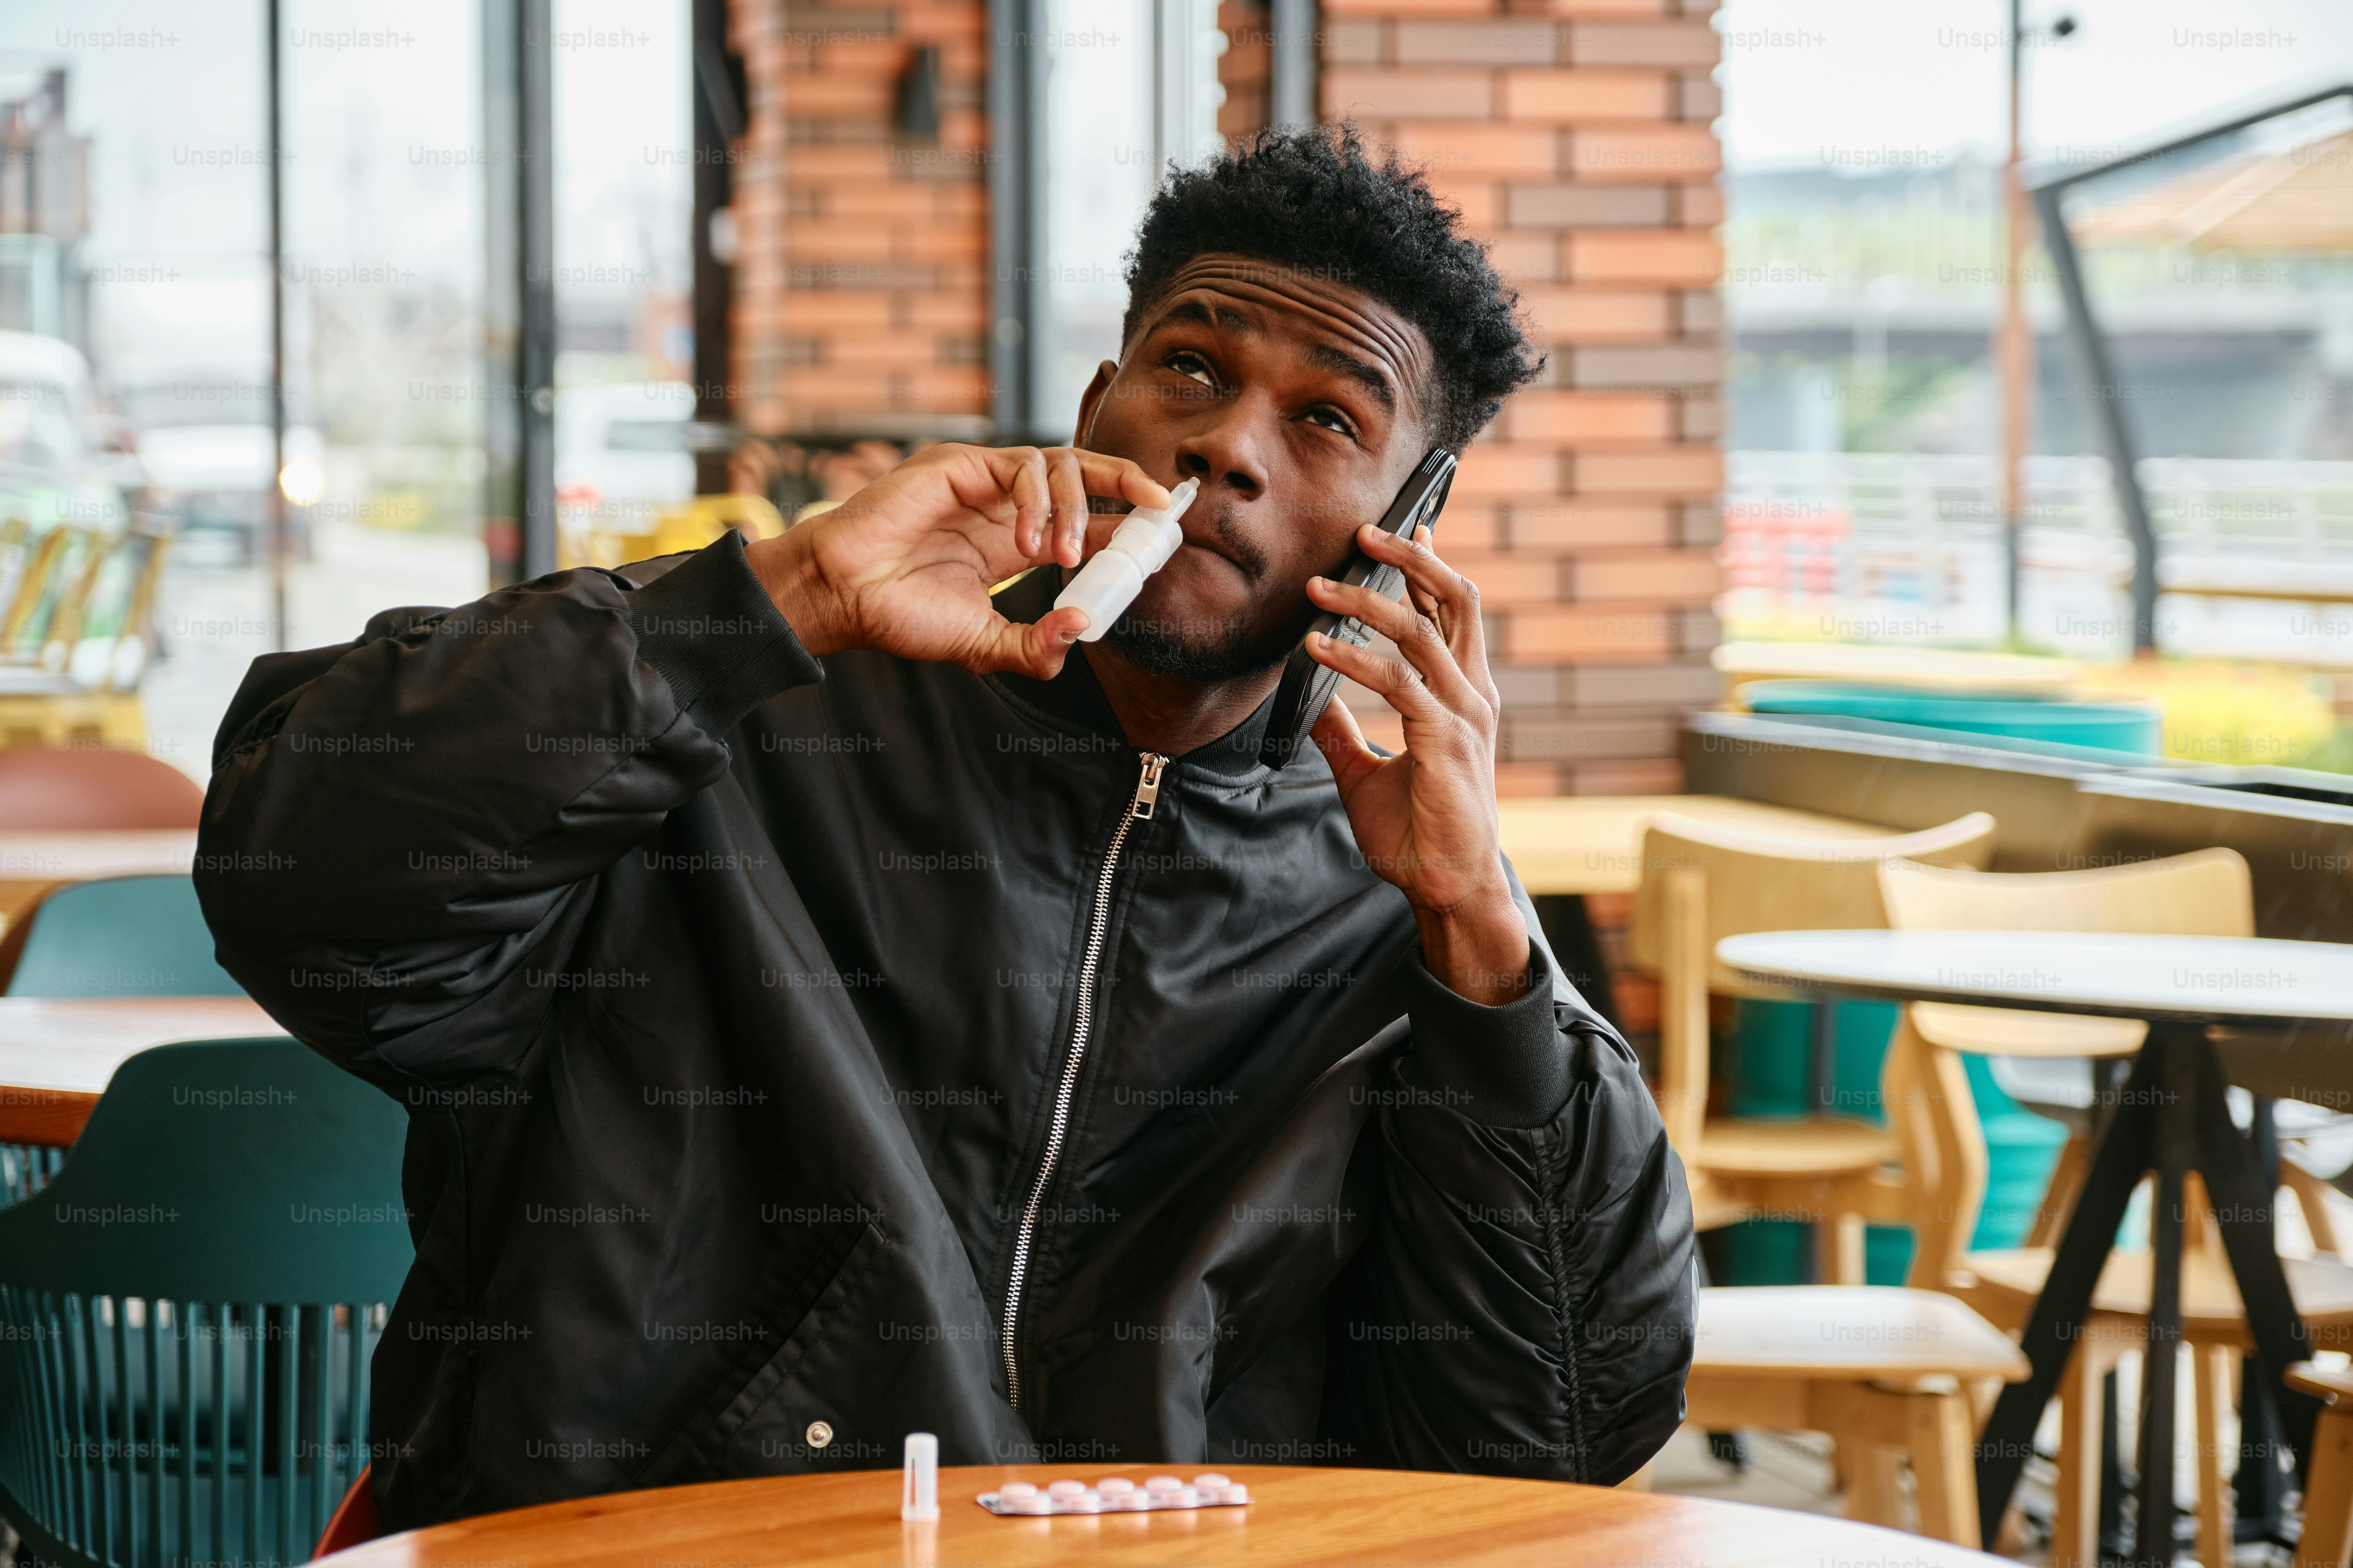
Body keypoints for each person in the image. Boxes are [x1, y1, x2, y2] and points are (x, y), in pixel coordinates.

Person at [196, 126, 1694, 1530]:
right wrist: (774, 599)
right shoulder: (720, 725)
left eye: (1326, 419)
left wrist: (1484, 945)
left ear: (1409, 519)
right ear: (1096, 408)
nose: (1227, 446)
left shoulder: (1410, 914)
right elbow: (301, 890)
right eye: (1190, 365)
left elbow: (1561, 1432)